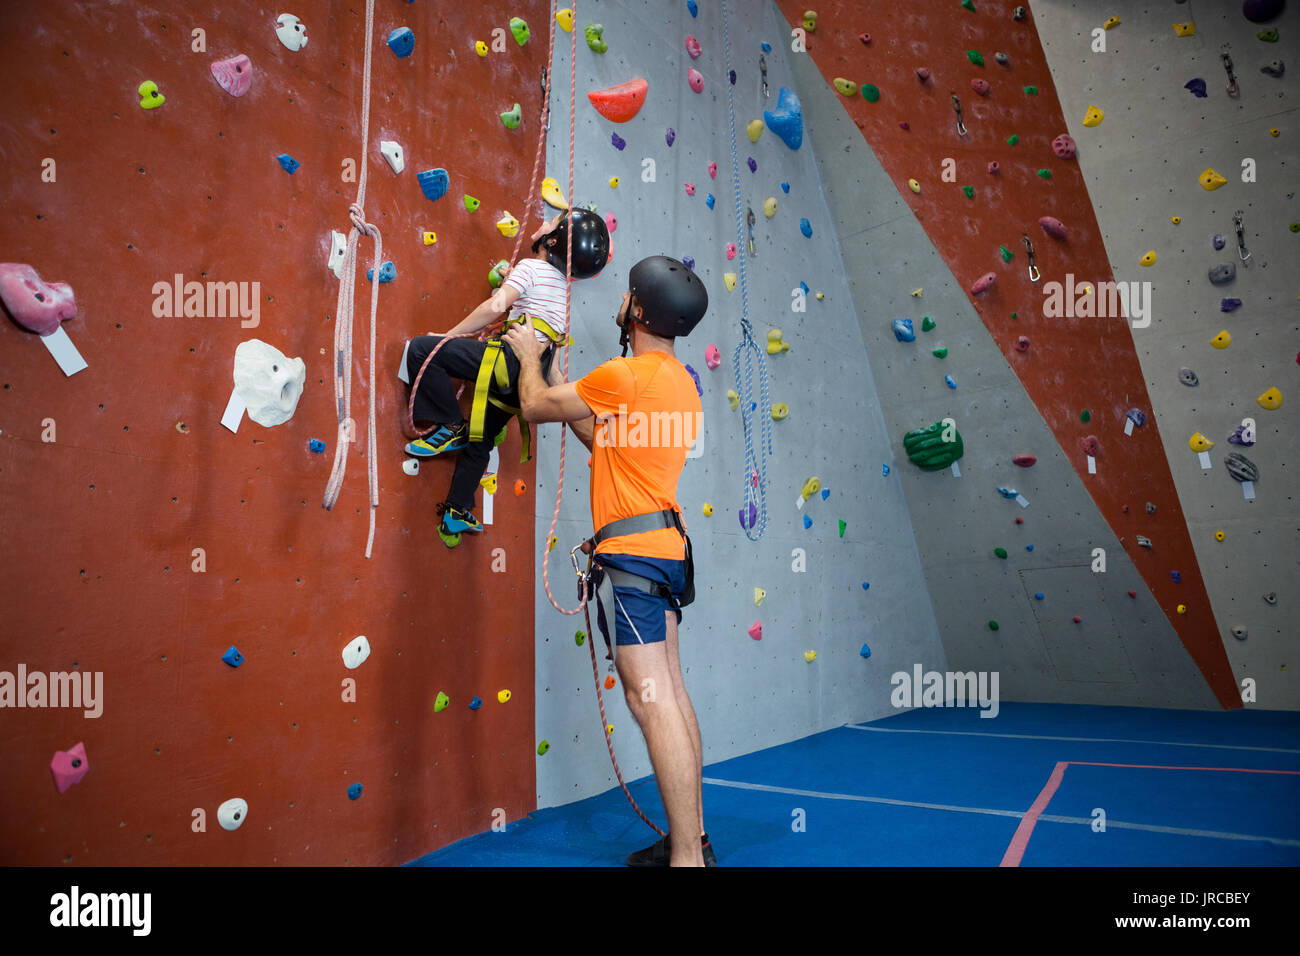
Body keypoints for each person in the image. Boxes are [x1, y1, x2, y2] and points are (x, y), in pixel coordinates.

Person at [503, 255, 715, 867]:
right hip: (666, 554)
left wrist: (527, 357)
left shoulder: (625, 374)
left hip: (631, 559)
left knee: (651, 701)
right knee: (670, 692)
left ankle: (688, 862)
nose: (619, 303)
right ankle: (690, 841)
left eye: (627, 296)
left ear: (640, 312)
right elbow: (609, 443)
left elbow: (535, 408)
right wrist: (570, 389)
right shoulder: (680, 384)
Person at [403, 208, 610, 540]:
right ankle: (458, 510)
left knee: (423, 350)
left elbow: (495, 307)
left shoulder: (531, 268)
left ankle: (449, 425)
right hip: (527, 384)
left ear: (551, 240)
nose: (543, 223)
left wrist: (449, 335)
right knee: (480, 439)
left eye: (551, 223)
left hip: (508, 361)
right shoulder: (559, 291)